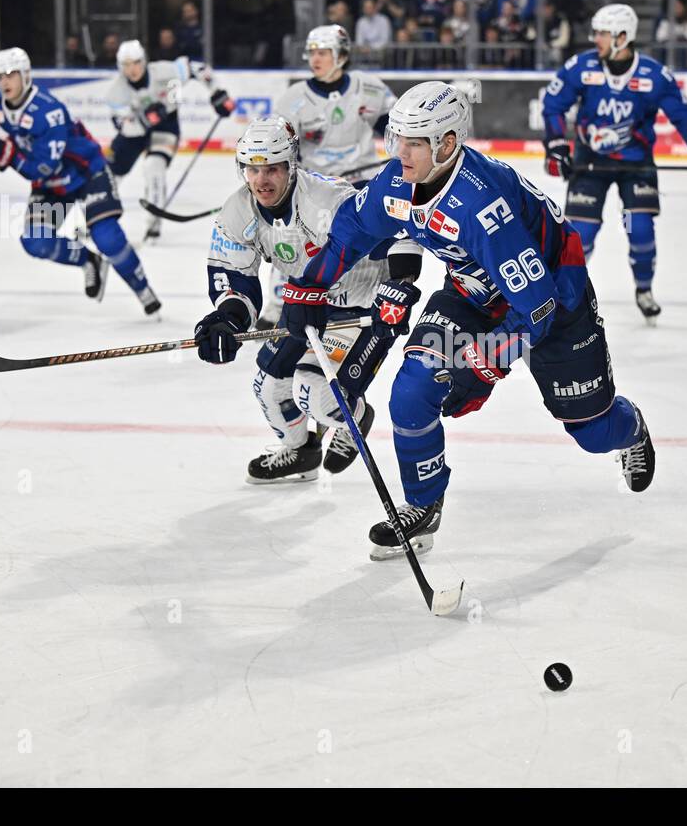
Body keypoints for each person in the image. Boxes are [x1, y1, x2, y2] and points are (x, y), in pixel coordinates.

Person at [281, 82, 656, 559]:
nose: (400, 153)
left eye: (415, 143)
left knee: (593, 432)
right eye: (398, 139)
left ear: (449, 143)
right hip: (474, 293)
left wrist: (481, 365)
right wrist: (308, 288)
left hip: (555, 301)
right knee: (412, 390)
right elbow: (350, 233)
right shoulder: (397, 180)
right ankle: (422, 505)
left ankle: (632, 428)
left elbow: (535, 311)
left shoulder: (482, 207)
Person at [193, 116, 420, 482]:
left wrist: (402, 283)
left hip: (362, 304)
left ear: (290, 166)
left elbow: (399, 228)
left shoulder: (328, 203)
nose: (261, 181)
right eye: (251, 169)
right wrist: (227, 320)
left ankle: (354, 418)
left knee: (314, 393)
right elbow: (235, 277)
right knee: (268, 386)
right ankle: (302, 451)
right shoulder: (237, 212)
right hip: (309, 301)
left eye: (272, 169)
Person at [541, 4, 687, 322]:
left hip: (635, 164)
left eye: (602, 33)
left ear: (623, 37)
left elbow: (682, 115)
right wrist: (557, 146)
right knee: (581, 235)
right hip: (591, 164)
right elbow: (553, 104)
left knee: (640, 230)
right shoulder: (582, 66)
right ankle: (564, 295)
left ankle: (644, 290)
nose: (595, 39)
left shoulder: (653, 75)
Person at [0, 47, 161, 316]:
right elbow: (8, 142)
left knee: (107, 237)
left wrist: (5, 155)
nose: (4, 82)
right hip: (52, 186)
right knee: (36, 241)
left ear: (26, 75)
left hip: (87, 173)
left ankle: (143, 289)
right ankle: (90, 261)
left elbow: (41, 168)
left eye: (10, 74)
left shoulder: (48, 112)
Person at [265, 26, 397, 327]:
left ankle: (371, 295)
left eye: (323, 52)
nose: (316, 59)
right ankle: (277, 303)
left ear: (341, 55)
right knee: (291, 233)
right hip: (315, 183)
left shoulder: (370, 88)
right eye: (312, 52)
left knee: (376, 236)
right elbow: (281, 151)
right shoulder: (293, 99)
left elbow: (395, 132)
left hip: (361, 181)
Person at [105, 38, 235, 243]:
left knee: (153, 167)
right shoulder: (116, 92)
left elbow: (198, 68)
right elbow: (125, 127)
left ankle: (153, 225)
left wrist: (217, 93)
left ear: (144, 60)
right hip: (135, 133)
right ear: (120, 67)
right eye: (127, 65)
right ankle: (95, 217)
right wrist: (146, 120)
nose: (133, 69)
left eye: (137, 63)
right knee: (109, 174)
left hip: (165, 126)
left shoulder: (165, 72)